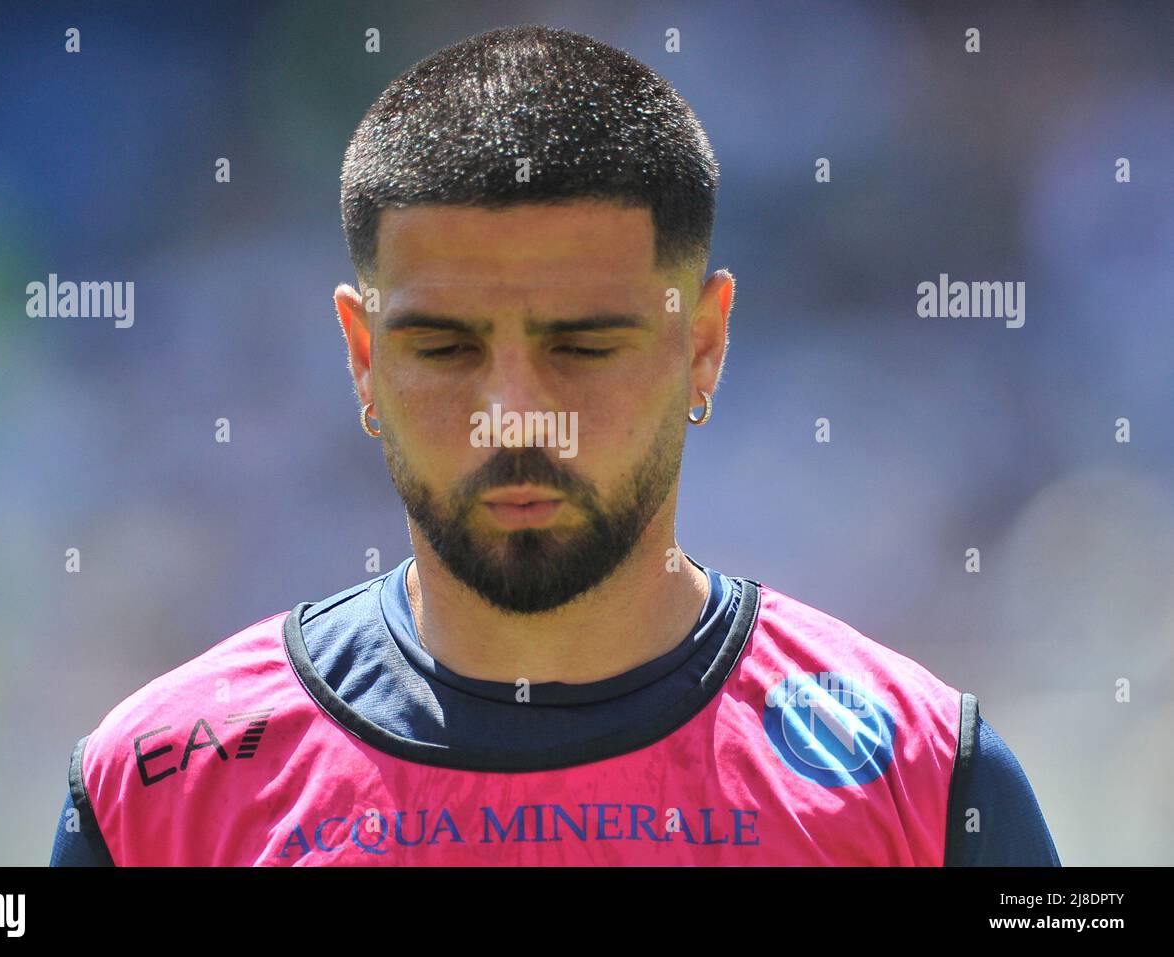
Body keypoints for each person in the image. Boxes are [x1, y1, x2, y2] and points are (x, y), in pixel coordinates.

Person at [51, 24, 1059, 866]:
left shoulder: (923, 781)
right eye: (443, 348)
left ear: (701, 343)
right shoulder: (158, 790)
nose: (513, 412)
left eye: (583, 345)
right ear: (362, 357)